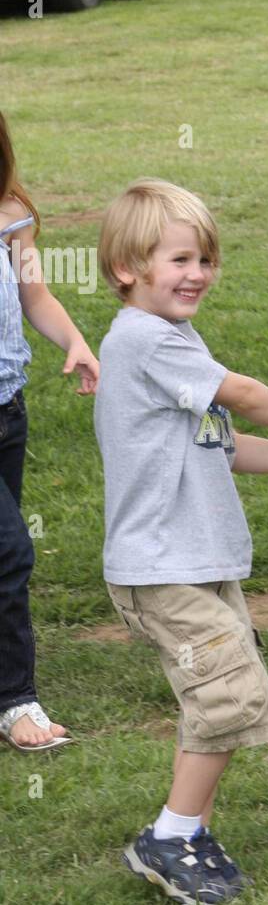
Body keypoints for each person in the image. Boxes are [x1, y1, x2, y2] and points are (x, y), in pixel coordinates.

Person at [95, 179, 268, 905]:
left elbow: (221, 440)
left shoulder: (174, 340)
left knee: (219, 698)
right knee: (229, 696)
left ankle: (187, 834)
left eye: (206, 259)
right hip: (162, 568)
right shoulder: (145, 339)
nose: (197, 274)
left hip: (195, 560)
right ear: (127, 268)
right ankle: (172, 836)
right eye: (180, 258)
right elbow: (239, 395)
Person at [0, 112, 98, 752]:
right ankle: (15, 702)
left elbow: (34, 297)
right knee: (10, 551)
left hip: (8, 410)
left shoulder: (10, 213)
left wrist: (75, 341)